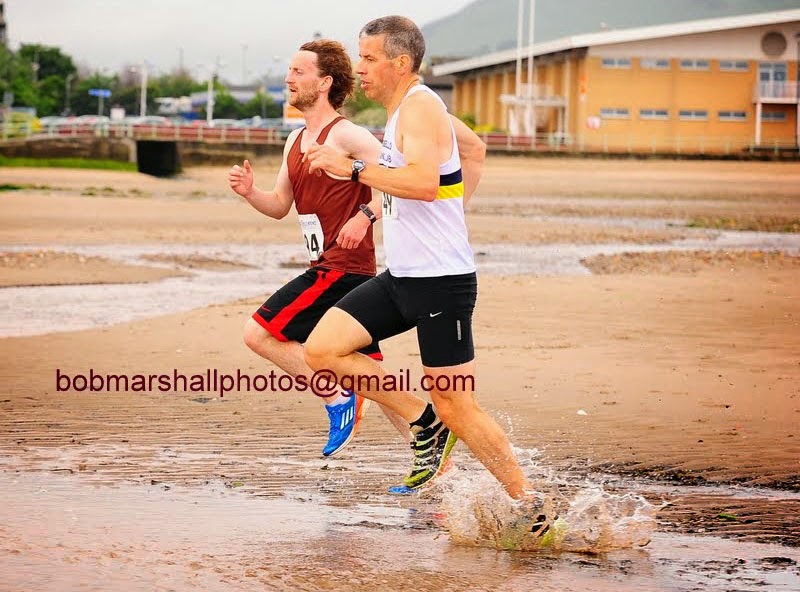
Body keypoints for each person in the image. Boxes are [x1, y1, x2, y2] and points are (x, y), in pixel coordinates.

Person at [303, 16, 546, 516]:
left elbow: (424, 184)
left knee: (459, 405)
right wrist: (452, 214)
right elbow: (473, 150)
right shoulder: (407, 111)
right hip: (405, 276)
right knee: (322, 349)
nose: (360, 69)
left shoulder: (419, 108)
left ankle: (532, 506)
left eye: (369, 59)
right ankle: (424, 422)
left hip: (441, 285)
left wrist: (349, 168)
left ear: (401, 62)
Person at [229, 39, 410, 456]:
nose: (288, 79)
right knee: (370, 376)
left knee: (258, 333)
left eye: (298, 71)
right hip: (332, 266)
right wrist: (249, 192)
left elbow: (398, 186)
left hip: (342, 267)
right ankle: (436, 459)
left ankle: (334, 395)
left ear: (325, 82)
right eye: (289, 71)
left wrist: (364, 216)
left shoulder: (348, 135)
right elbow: (278, 207)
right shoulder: (294, 141)